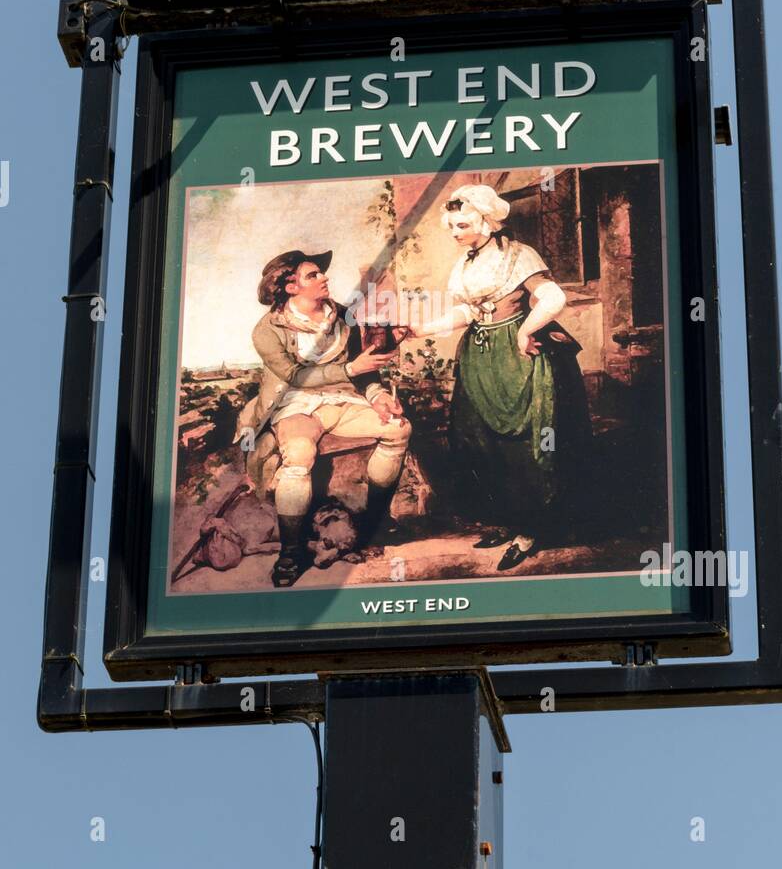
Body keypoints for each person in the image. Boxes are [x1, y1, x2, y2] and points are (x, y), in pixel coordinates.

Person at [403, 184, 591, 571]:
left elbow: (554, 298)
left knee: (525, 442)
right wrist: (419, 332)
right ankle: (508, 519)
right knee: (481, 442)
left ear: (487, 221)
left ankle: (532, 529)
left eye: (463, 224)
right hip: (479, 356)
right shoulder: (466, 265)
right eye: (451, 226)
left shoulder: (518, 255)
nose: (455, 232)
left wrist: (526, 331)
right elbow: (467, 315)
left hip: (518, 355)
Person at [247, 249, 411, 587]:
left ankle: (374, 524)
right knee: (300, 455)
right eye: (313, 275)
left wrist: (378, 396)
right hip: (294, 404)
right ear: (290, 287)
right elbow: (295, 376)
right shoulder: (266, 330)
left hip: (340, 399)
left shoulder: (344, 317)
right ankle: (290, 553)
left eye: (321, 273)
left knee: (398, 428)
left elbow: (364, 371)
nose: (324, 277)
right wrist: (351, 368)